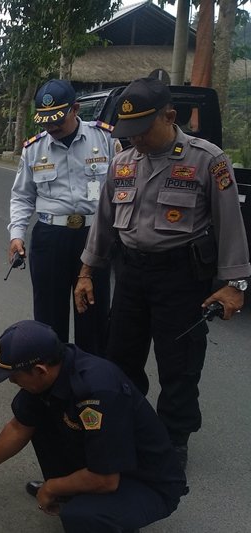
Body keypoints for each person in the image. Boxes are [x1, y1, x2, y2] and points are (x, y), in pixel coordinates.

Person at [74, 76, 250, 469]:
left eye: (142, 129)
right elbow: (103, 224)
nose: (135, 139)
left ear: (169, 116)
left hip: (180, 277)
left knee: (179, 363)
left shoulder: (207, 160)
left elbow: (230, 226)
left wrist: (235, 285)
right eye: (129, 131)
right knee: (120, 357)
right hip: (131, 275)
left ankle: (173, 441)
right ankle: (127, 427)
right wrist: (86, 272)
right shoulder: (122, 162)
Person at [0, 320, 187, 533]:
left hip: (148, 482)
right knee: (39, 422)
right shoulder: (50, 370)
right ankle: (76, 495)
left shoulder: (97, 391)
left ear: (39, 370)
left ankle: (111, 518)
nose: (12, 381)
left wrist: (52, 487)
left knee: (81, 516)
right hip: (111, 461)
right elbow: (19, 427)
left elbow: (106, 479)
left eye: (14, 377)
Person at [9, 79, 120, 356]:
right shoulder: (34, 149)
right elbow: (22, 196)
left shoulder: (104, 138)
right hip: (50, 238)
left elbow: (121, 189)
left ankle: (90, 375)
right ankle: (53, 376)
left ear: (75, 109)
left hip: (93, 237)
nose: (51, 128)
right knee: (48, 318)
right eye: (45, 122)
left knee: (93, 315)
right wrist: (16, 235)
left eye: (57, 120)